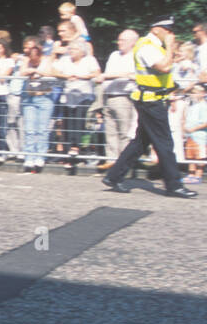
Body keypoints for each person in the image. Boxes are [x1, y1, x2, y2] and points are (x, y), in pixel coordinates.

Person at [103, 17, 197, 197]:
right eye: (168, 30)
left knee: (140, 142)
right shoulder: (147, 47)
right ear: (156, 29)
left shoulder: (154, 47)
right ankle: (174, 185)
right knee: (164, 143)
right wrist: (170, 46)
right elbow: (164, 67)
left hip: (152, 99)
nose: (171, 34)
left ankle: (114, 176)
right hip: (150, 101)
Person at [51, 39, 100, 171]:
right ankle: (68, 155)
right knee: (67, 124)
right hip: (68, 96)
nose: (71, 51)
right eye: (71, 49)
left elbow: (96, 73)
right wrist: (66, 76)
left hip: (84, 96)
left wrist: (83, 77)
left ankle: (76, 150)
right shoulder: (65, 60)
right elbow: (53, 71)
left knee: (79, 123)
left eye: (75, 49)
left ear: (82, 51)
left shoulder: (90, 60)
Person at [97, 29, 139, 172]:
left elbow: (129, 75)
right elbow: (111, 74)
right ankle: (111, 161)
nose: (119, 42)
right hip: (109, 96)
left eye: (123, 40)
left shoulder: (135, 56)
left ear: (133, 42)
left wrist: (108, 76)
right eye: (119, 39)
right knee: (110, 132)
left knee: (124, 132)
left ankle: (122, 165)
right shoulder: (114, 55)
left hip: (124, 97)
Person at [18, 36, 57, 172]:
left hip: (44, 98)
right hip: (29, 98)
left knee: (42, 130)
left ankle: (40, 156)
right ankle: (29, 156)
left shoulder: (47, 59)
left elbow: (50, 73)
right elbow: (22, 72)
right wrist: (28, 70)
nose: (33, 59)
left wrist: (37, 71)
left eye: (35, 57)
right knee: (29, 129)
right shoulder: (26, 60)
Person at [182, 85, 207, 183]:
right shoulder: (192, 105)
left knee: (199, 156)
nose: (193, 95)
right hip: (190, 135)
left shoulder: (204, 106)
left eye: (195, 92)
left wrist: (193, 129)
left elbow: (205, 122)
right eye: (192, 93)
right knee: (190, 156)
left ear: (203, 94)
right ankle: (191, 174)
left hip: (199, 136)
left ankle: (198, 175)